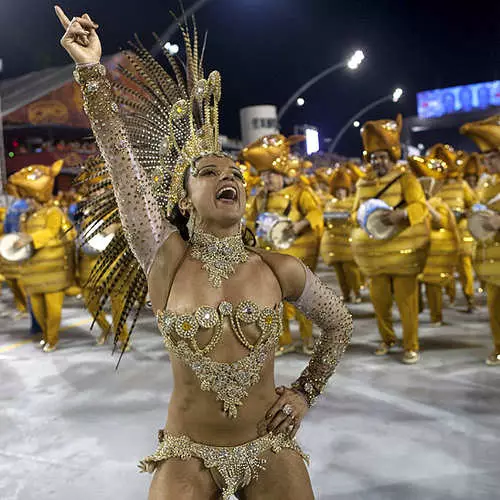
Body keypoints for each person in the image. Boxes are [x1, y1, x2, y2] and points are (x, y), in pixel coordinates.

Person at [55, 6, 352, 499]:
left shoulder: (279, 269)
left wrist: (304, 393)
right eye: (210, 173)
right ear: (182, 198)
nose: (229, 177)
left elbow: (340, 323)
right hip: (188, 452)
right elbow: (121, 161)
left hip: (267, 446)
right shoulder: (165, 259)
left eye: (235, 173)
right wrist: (91, 70)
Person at [351, 114, 430, 364]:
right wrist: (360, 218)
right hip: (374, 256)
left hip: (403, 253)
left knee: (407, 304)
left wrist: (402, 215)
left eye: (382, 157)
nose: (378, 162)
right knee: (380, 303)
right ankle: (387, 340)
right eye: (374, 158)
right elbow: (354, 212)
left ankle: (411, 345)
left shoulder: (406, 179)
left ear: (392, 157)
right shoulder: (362, 184)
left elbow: (421, 206)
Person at [242, 135, 324, 356]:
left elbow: (316, 213)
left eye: (270, 176)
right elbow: (250, 221)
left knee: (303, 302)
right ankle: (284, 340)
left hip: (298, 259)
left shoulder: (300, 192)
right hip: (271, 260)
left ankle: (308, 339)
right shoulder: (260, 198)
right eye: (263, 176)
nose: (266, 180)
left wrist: (298, 226)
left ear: (282, 175)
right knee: (276, 303)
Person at [8, 160, 76, 352]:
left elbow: (50, 233)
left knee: (53, 310)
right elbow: (23, 238)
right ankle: (46, 335)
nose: (27, 201)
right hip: (33, 271)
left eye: (29, 197)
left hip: (53, 271)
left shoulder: (53, 212)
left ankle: (52, 339)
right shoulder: (27, 216)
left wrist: (29, 237)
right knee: (37, 310)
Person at [461, 115, 500, 365]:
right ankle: (498, 346)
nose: (487, 163)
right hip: (492, 260)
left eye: (492, 157)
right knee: (495, 309)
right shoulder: (489, 184)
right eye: (485, 158)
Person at [426, 144, 478, 312]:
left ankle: (469, 298)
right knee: (446, 267)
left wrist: (464, 213)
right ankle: (451, 296)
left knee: (465, 267)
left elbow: (474, 206)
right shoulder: (435, 186)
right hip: (443, 235)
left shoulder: (462, 185)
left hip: (461, 233)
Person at [320, 167, 362, 303]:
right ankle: (346, 294)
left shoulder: (352, 202)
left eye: (342, 190)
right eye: (337, 191)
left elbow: (356, 219)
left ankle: (357, 293)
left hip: (348, 242)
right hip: (334, 244)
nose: (339, 193)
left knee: (351, 270)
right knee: (339, 272)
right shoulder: (329, 204)